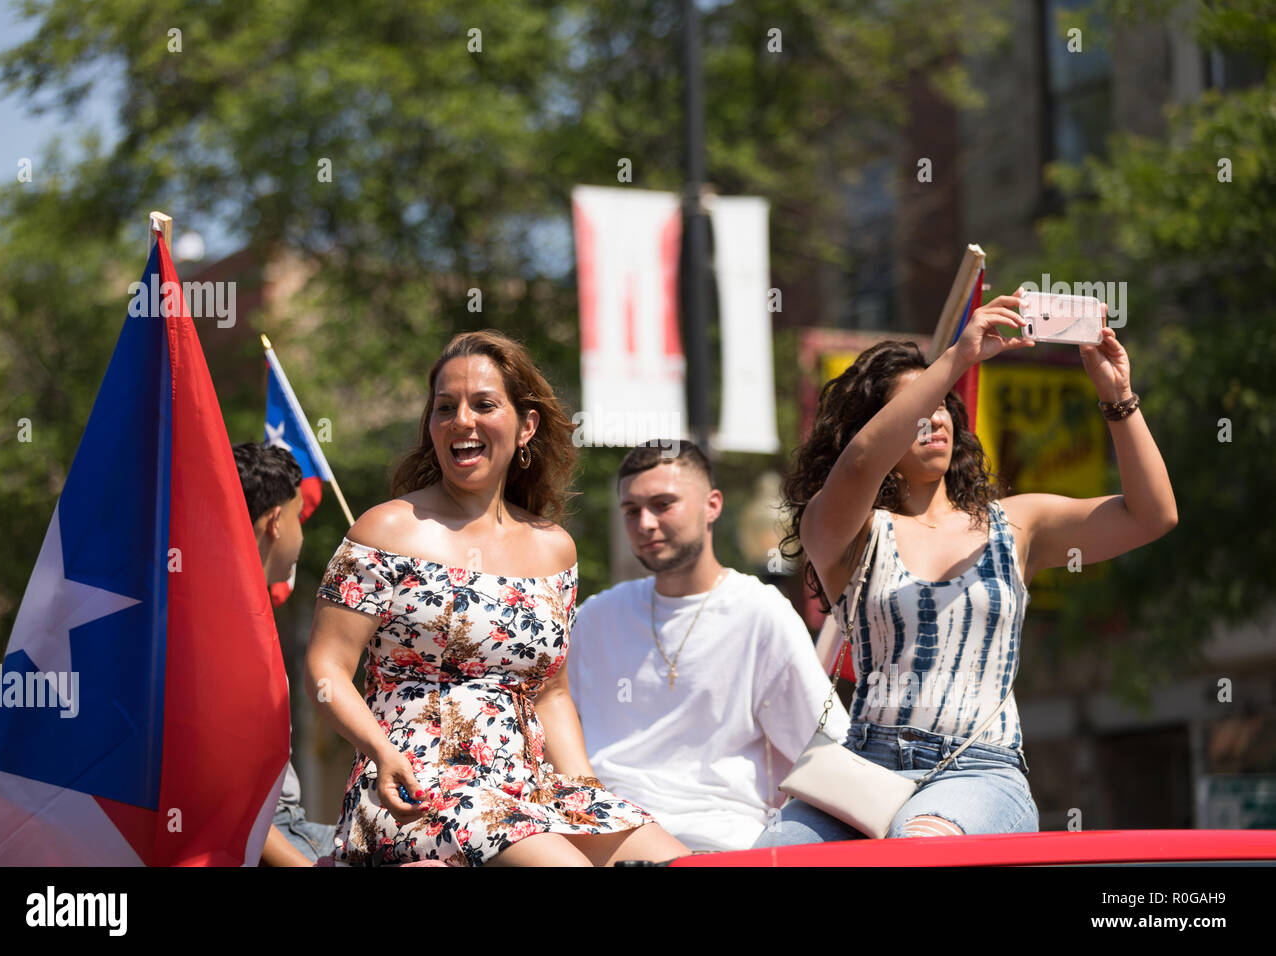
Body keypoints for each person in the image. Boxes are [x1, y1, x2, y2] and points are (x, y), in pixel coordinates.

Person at [754, 293, 1177, 845]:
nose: (932, 418)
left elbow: (1153, 515)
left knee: (918, 848)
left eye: (941, 405)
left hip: (979, 771)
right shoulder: (843, 531)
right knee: (768, 859)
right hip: (861, 770)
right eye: (912, 410)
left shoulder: (1018, 524)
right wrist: (956, 359)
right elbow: (860, 463)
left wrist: (1118, 397)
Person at [304, 330, 690, 866]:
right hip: (419, 787)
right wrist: (380, 751)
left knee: (683, 862)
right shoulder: (385, 529)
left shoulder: (556, 548)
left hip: (531, 790)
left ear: (526, 425)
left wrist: (585, 789)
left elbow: (552, 694)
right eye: (445, 408)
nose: (462, 420)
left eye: (484, 404)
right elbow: (326, 668)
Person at [568, 440, 849, 852]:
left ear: (712, 505)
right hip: (598, 833)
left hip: (715, 839)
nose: (645, 523)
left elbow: (824, 747)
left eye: (663, 504)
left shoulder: (758, 611)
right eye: (631, 510)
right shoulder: (597, 616)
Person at [232, 441, 336, 866]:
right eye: (298, 518)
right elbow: (229, 805)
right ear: (276, 521)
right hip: (280, 837)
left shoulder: (234, 612)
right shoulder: (229, 635)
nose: (300, 534)